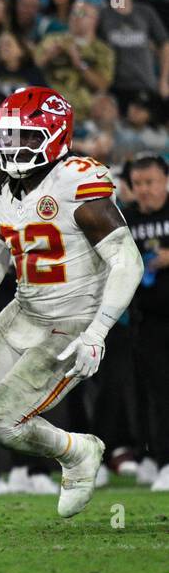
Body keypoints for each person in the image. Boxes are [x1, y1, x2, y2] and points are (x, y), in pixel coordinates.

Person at [0, 87, 144, 531]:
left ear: (54, 135)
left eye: (23, 135)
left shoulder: (77, 179)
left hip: (73, 319)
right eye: (7, 135)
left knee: (0, 420)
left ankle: (78, 451)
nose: (11, 146)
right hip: (25, 309)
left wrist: (97, 331)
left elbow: (127, 261)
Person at [122, 153, 169, 491]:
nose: (144, 190)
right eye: (138, 184)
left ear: (165, 180)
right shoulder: (126, 219)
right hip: (146, 319)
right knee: (154, 392)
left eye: (150, 182)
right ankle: (156, 457)